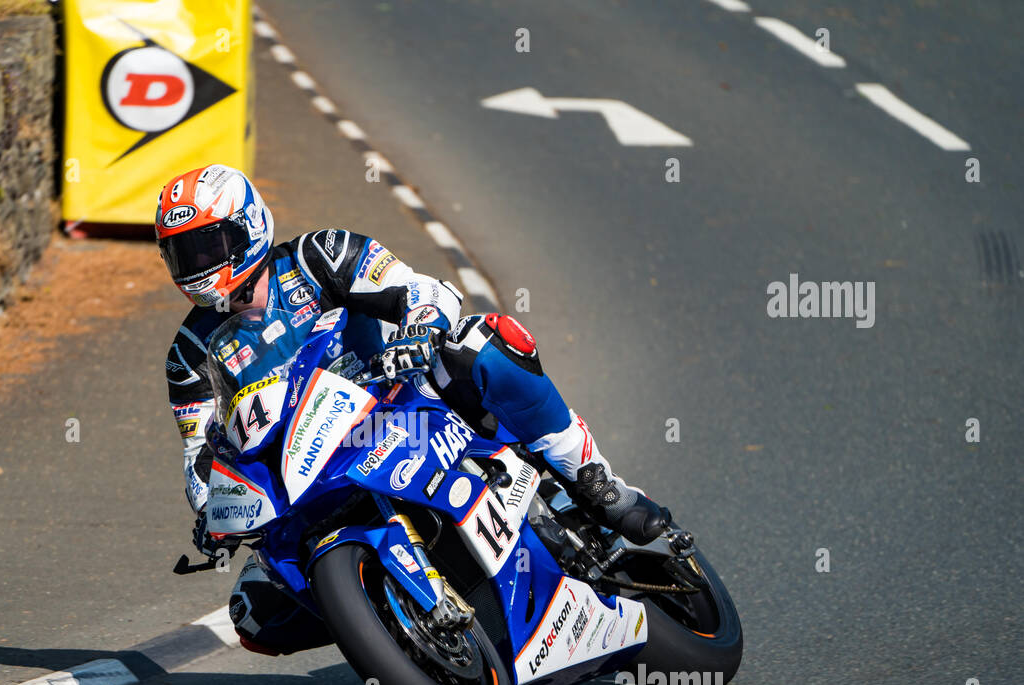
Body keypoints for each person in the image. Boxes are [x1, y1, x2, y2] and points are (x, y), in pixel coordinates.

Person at [158, 164, 669, 652]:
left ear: (248, 227)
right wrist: (209, 511)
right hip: (304, 477)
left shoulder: (320, 255)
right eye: (182, 254)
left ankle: (594, 481)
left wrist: (420, 331)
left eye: (208, 245)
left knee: (486, 343)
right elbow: (201, 454)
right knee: (254, 612)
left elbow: (421, 290)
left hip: (400, 401)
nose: (198, 266)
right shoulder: (187, 354)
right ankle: (394, 627)